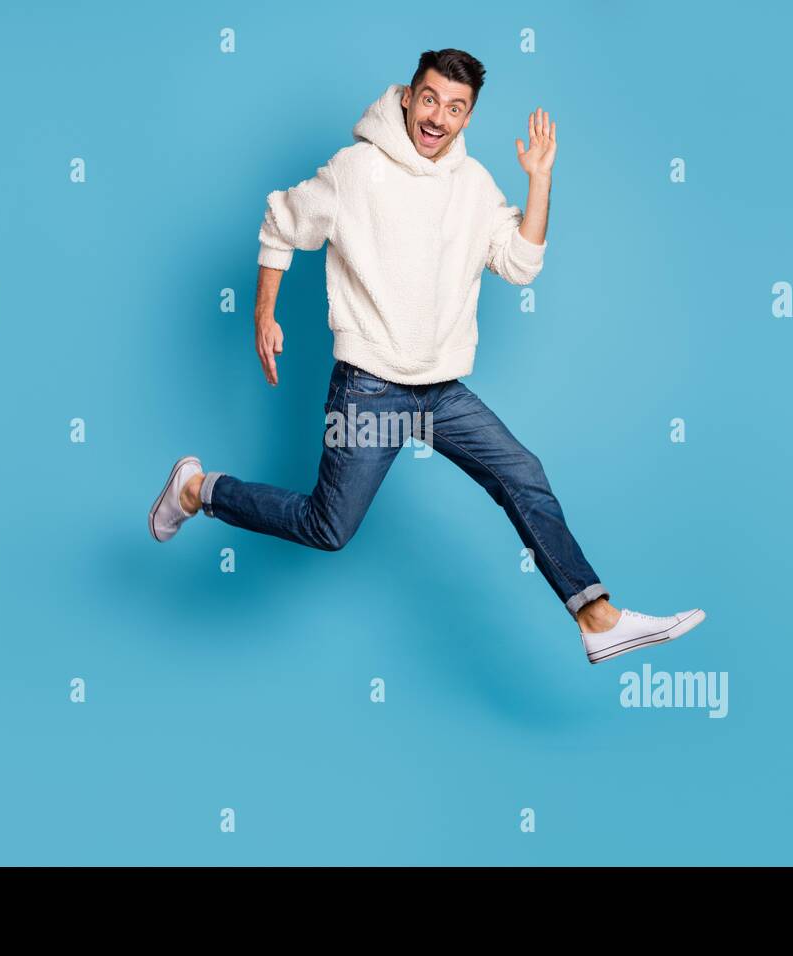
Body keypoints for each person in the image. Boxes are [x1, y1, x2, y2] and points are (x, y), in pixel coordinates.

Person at [149, 49, 705, 665]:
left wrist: (540, 181)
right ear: (410, 97)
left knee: (522, 471)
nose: (439, 116)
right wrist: (263, 313)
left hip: (440, 392)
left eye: (457, 107)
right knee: (328, 529)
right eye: (432, 99)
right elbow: (281, 224)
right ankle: (199, 490)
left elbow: (520, 265)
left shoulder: (473, 186)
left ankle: (596, 617)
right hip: (370, 390)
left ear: (468, 118)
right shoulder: (356, 170)